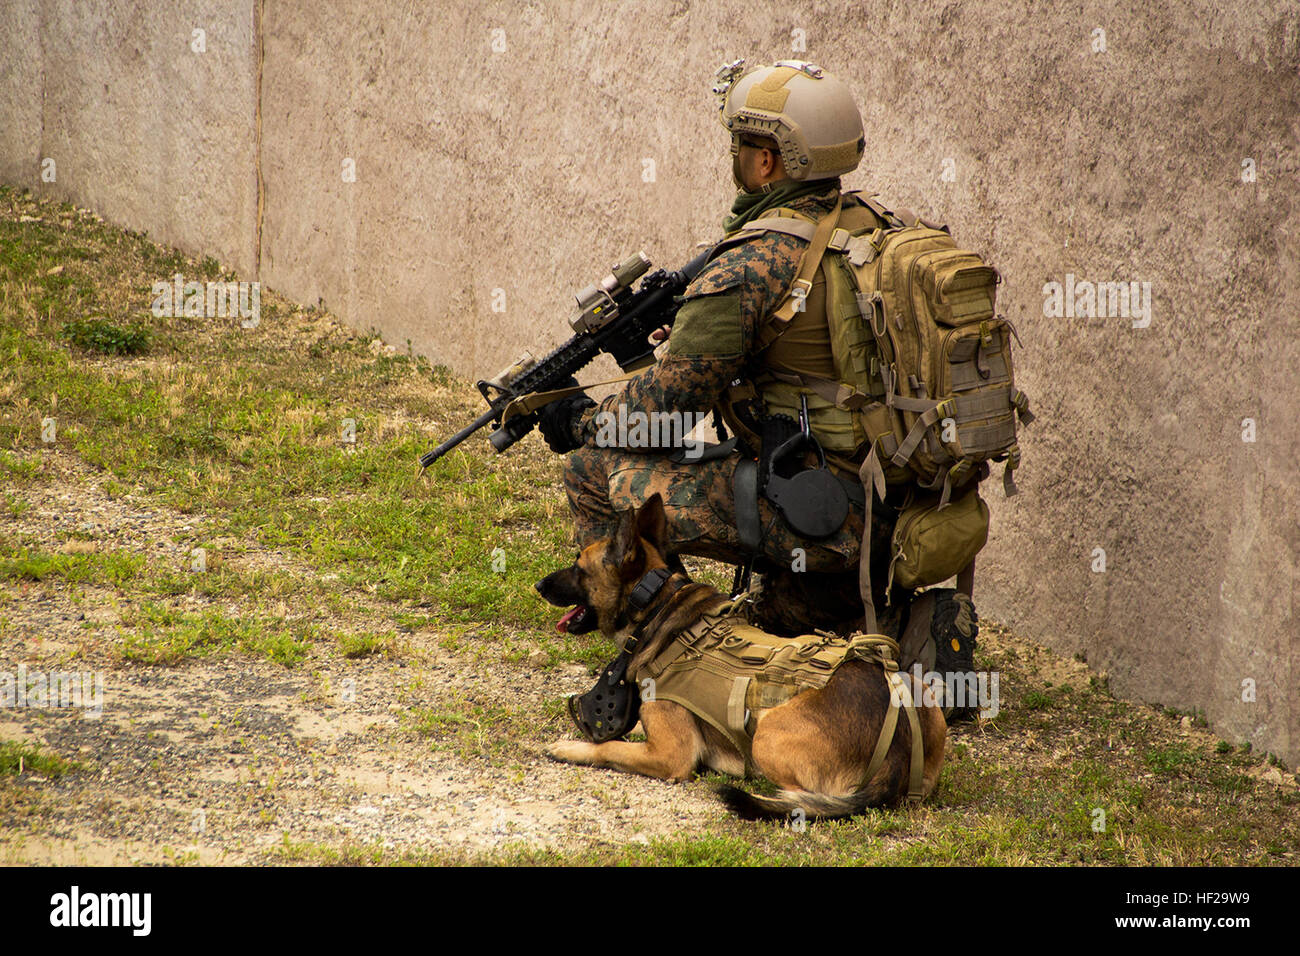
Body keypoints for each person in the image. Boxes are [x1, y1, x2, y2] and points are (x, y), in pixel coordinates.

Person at [538, 59, 912, 637]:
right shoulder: (879, 227)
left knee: (591, 469)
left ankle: (653, 631)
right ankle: (851, 611)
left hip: (824, 509)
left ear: (766, 161)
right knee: (780, 621)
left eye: (741, 145)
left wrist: (582, 420)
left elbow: (658, 420)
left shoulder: (748, 265)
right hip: (900, 501)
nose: (735, 158)